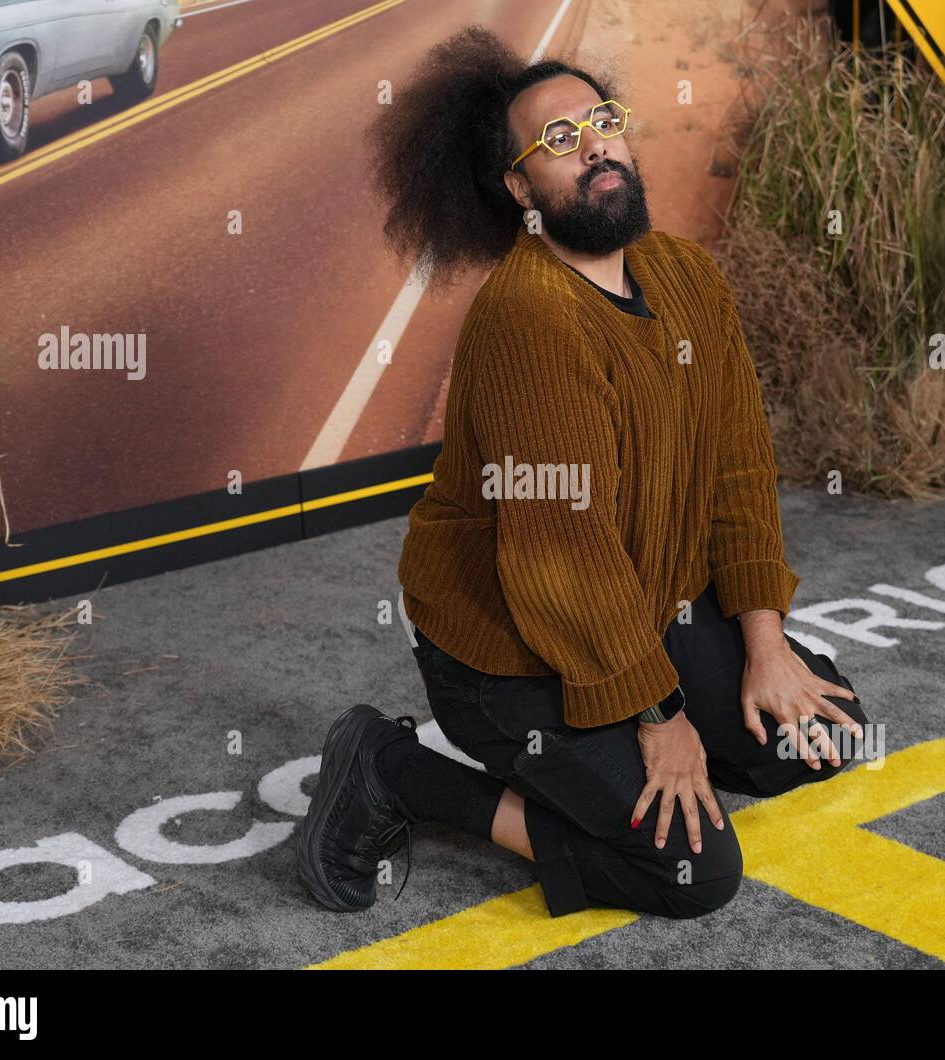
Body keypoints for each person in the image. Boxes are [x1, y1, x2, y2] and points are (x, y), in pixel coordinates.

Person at [295, 26, 870, 920]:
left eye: (600, 120)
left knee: (823, 735)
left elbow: (739, 470)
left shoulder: (684, 275)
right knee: (691, 874)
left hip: (647, 612)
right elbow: (564, 558)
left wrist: (765, 646)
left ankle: (635, 758)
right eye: (558, 140)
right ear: (521, 188)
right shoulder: (530, 319)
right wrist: (660, 720)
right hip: (511, 652)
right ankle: (391, 767)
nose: (593, 143)